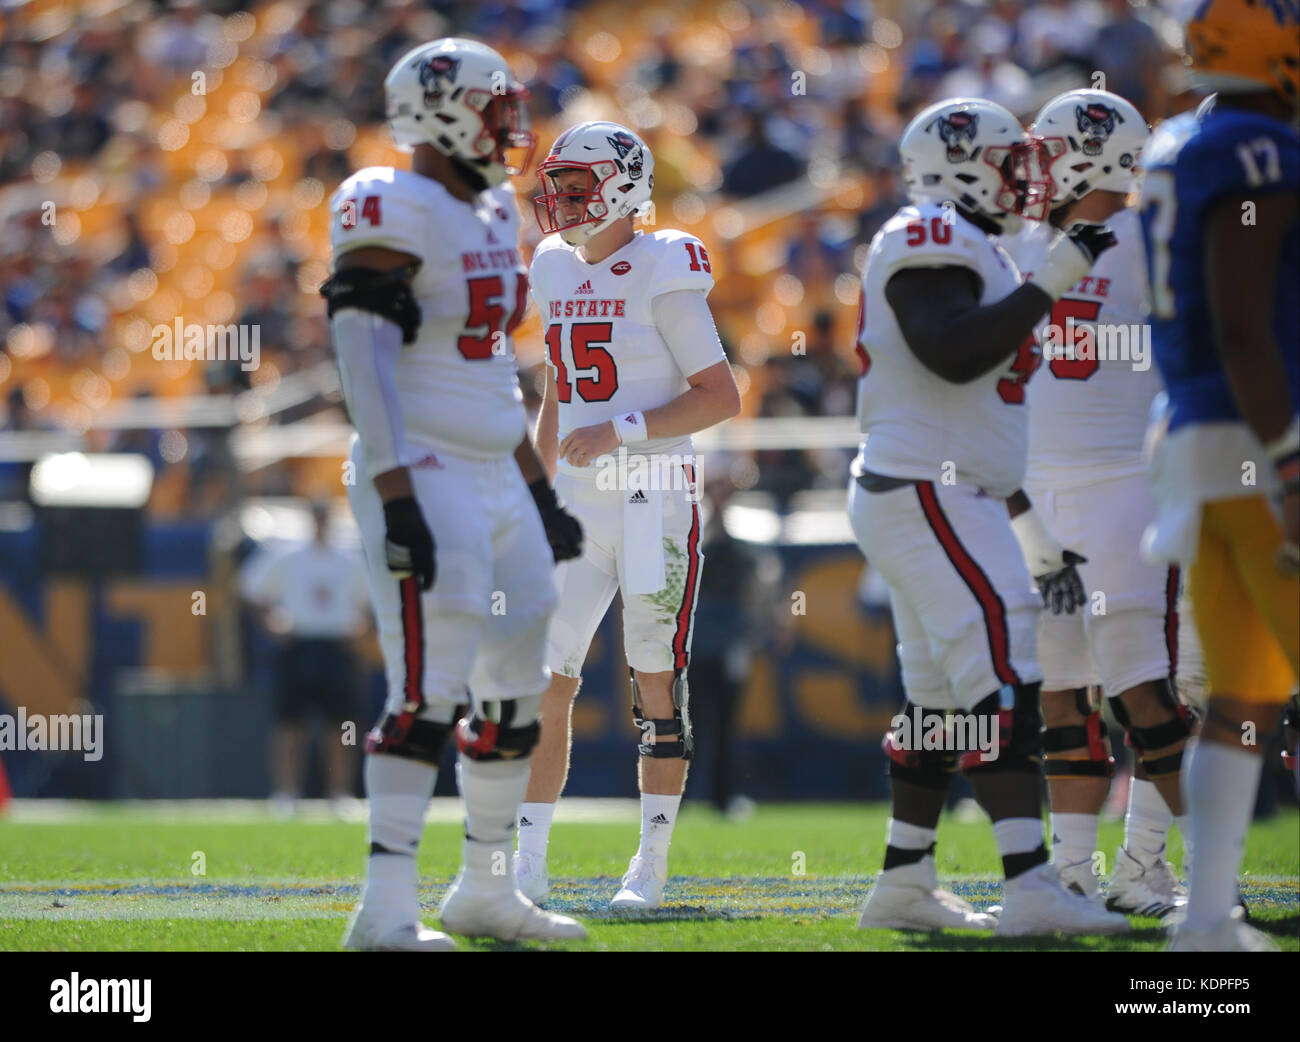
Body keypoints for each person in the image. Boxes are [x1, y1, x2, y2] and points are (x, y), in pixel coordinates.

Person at [320, 37, 586, 950]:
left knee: (517, 680)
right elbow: (364, 362)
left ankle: (484, 889)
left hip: (492, 470)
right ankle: (384, 911)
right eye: (492, 109)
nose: (507, 128)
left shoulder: (492, 208)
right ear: (437, 113)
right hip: (423, 467)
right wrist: (395, 493)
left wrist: (538, 493)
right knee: (428, 686)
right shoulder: (385, 199)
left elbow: (489, 374)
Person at [848, 97, 1130, 936]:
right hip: (926, 490)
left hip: (940, 489)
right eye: (1014, 163)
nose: (1028, 181)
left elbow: (981, 425)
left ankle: (903, 880)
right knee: (1003, 674)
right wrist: (1054, 279)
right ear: (964, 163)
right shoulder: (930, 233)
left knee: (938, 696)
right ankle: (1032, 885)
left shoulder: (980, 247)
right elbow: (954, 352)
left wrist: (1037, 539)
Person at [513, 121, 742, 911]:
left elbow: (721, 396)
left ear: (619, 187)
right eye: (557, 187)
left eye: (574, 187)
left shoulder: (663, 263)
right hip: (577, 504)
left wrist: (623, 428)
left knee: (655, 685)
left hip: (653, 497)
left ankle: (649, 862)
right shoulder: (551, 265)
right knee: (546, 680)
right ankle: (528, 864)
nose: (559, 203)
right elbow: (557, 392)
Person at [1003, 89, 1191, 918]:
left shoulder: (1146, 238)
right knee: (1073, 690)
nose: (1036, 171)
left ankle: (1149, 867)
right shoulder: (1030, 246)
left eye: (1048, 153)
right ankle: (1080, 871)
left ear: (1084, 153)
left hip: (1110, 487)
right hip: (1068, 491)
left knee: (1134, 691)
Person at [1138, 0, 1298, 952]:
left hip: (1195, 437)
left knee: (1244, 693)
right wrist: (1289, 457)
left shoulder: (1181, 142)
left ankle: (1204, 921)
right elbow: (1244, 324)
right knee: (1246, 690)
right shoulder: (1255, 149)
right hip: (1254, 439)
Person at [239, 500, 370, 815]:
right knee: (290, 724)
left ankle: (340, 792)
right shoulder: (287, 555)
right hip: (297, 645)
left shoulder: (349, 558)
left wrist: (361, 626)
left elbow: (370, 601)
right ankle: (286, 793)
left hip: (335, 646)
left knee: (340, 725)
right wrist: (271, 621)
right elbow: (249, 589)